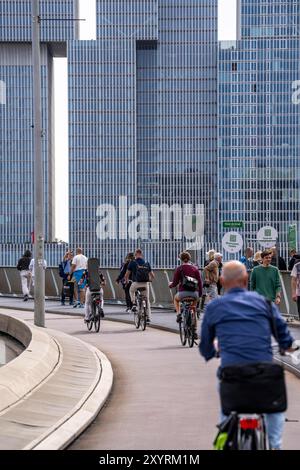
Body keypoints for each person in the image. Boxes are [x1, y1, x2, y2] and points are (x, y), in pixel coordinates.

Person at [199, 261, 296, 450]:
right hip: (264, 375)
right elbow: (285, 339)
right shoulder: (265, 304)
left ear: (221, 281)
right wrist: (286, 347)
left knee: (226, 414)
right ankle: (276, 446)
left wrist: (213, 352)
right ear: (246, 279)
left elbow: (205, 347)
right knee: (274, 412)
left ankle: (222, 442)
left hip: (231, 375)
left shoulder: (214, 308)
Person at [169, 251, 203, 337]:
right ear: (189, 259)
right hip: (194, 294)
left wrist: (171, 285)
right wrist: (200, 294)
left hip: (182, 293)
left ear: (181, 259)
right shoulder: (195, 269)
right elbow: (199, 283)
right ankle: (194, 331)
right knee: (194, 310)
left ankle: (178, 314)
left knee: (176, 299)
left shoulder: (179, 268)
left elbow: (175, 283)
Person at [125, 249, 155, 323]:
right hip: (145, 284)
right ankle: (148, 318)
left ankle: (134, 304)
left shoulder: (132, 262)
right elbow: (153, 276)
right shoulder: (146, 263)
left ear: (135, 255)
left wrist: (127, 281)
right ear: (141, 254)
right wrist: (150, 280)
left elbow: (127, 275)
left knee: (131, 290)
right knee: (147, 300)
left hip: (136, 283)